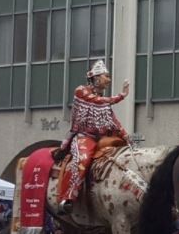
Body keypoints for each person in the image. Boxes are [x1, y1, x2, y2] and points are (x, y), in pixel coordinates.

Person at [56, 59, 130, 212]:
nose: (108, 80)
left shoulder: (103, 101)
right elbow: (97, 101)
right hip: (84, 136)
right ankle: (67, 198)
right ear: (96, 78)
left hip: (102, 138)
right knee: (82, 160)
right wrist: (121, 96)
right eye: (106, 76)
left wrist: (126, 135)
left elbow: (112, 119)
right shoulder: (81, 91)